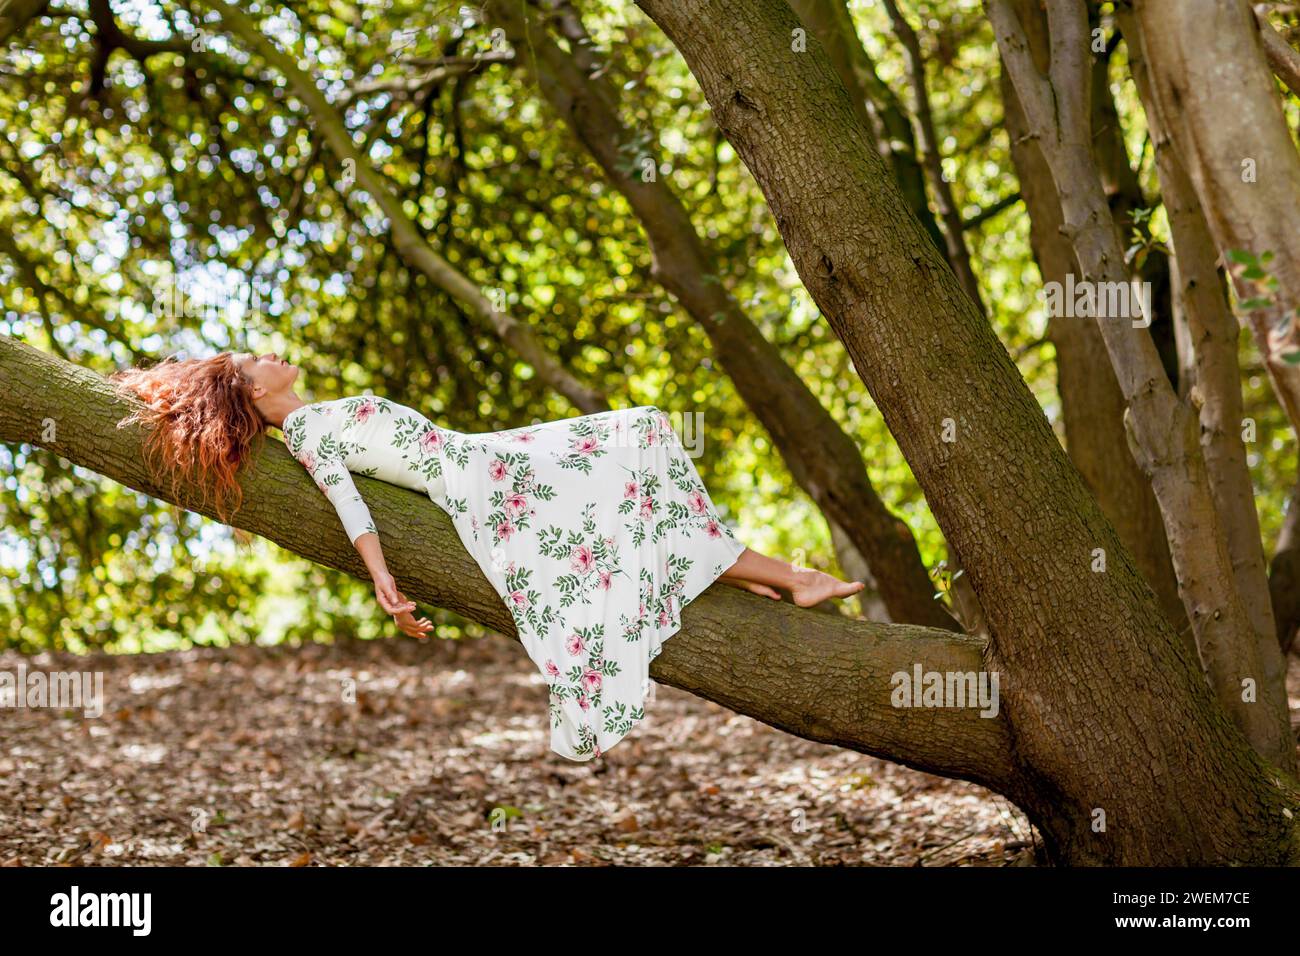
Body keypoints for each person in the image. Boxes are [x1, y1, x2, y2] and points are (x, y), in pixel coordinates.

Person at [111, 350, 864, 759]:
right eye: (254, 358)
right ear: (254, 391)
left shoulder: (317, 415)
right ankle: (787, 577)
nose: (271, 351)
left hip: (483, 460)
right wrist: (383, 580)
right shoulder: (307, 437)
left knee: (639, 462)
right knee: (636, 446)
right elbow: (351, 505)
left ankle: (778, 578)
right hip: (481, 486)